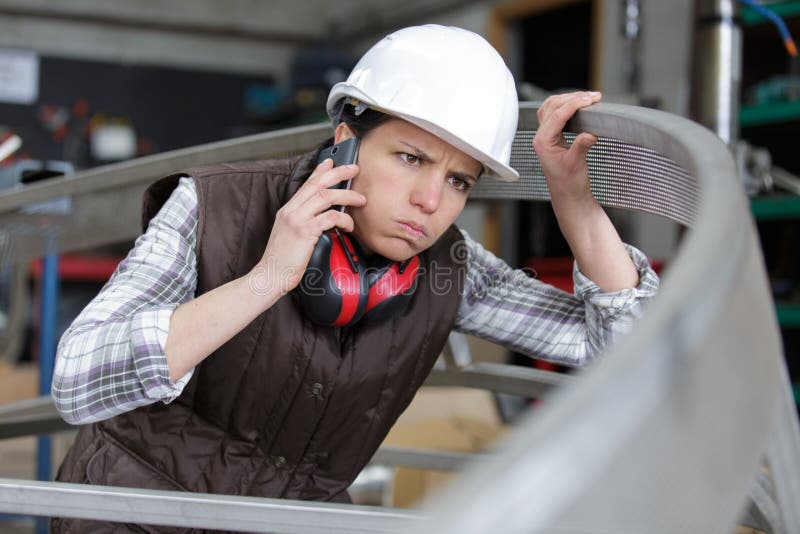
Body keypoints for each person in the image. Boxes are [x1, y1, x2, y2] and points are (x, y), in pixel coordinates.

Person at [51, 24, 659, 531]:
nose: (430, 202)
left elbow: (624, 344)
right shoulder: (214, 207)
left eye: (458, 181)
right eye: (410, 158)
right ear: (346, 142)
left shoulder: (452, 267)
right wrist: (266, 279)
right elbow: (77, 380)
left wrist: (574, 200)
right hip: (130, 518)